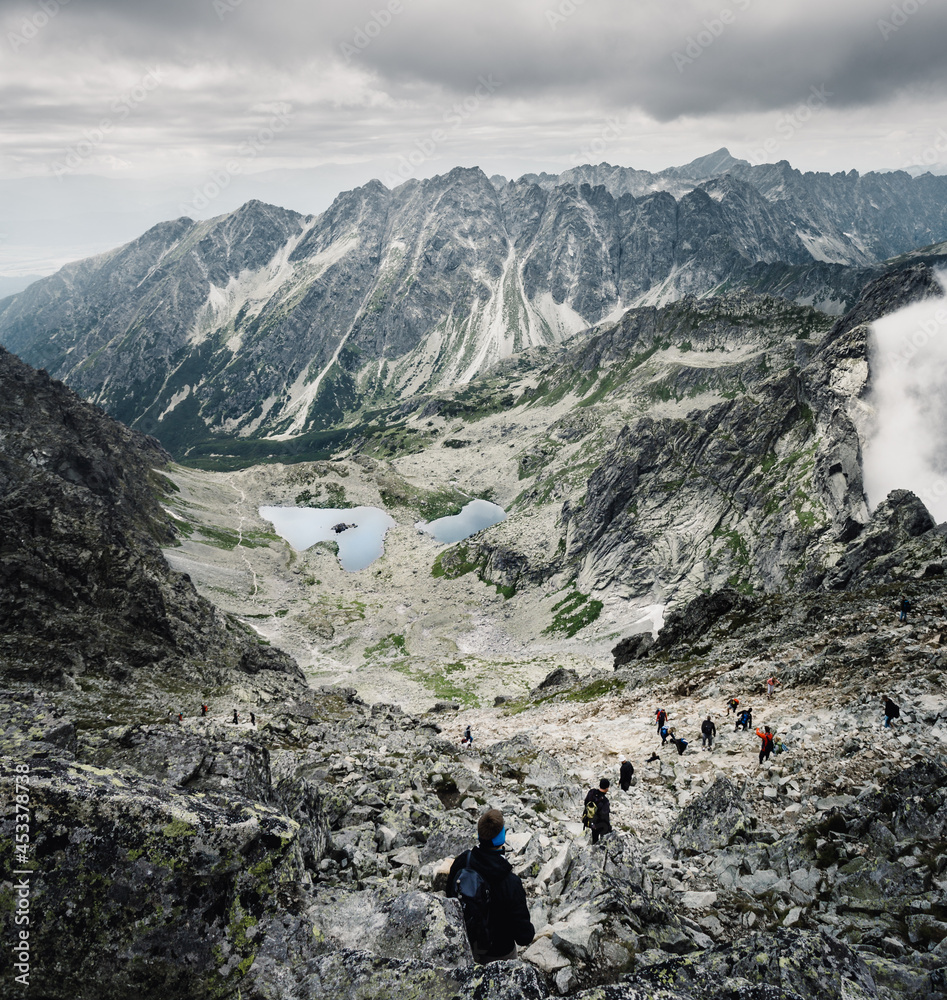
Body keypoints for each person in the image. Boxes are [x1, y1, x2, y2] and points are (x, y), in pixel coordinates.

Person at [446, 808, 535, 963]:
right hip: (499, 954)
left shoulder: (463, 861)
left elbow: (449, 897)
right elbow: (524, 937)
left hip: (465, 946)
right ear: (502, 837)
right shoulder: (510, 882)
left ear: (480, 835)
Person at [583, 779, 612, 844]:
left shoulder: (591, 792)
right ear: (607, 788)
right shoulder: (605, 801)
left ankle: (593, 845)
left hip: (588, 820)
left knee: (594, 838)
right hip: (598, 825)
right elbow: (605, 816)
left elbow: (585, 803)